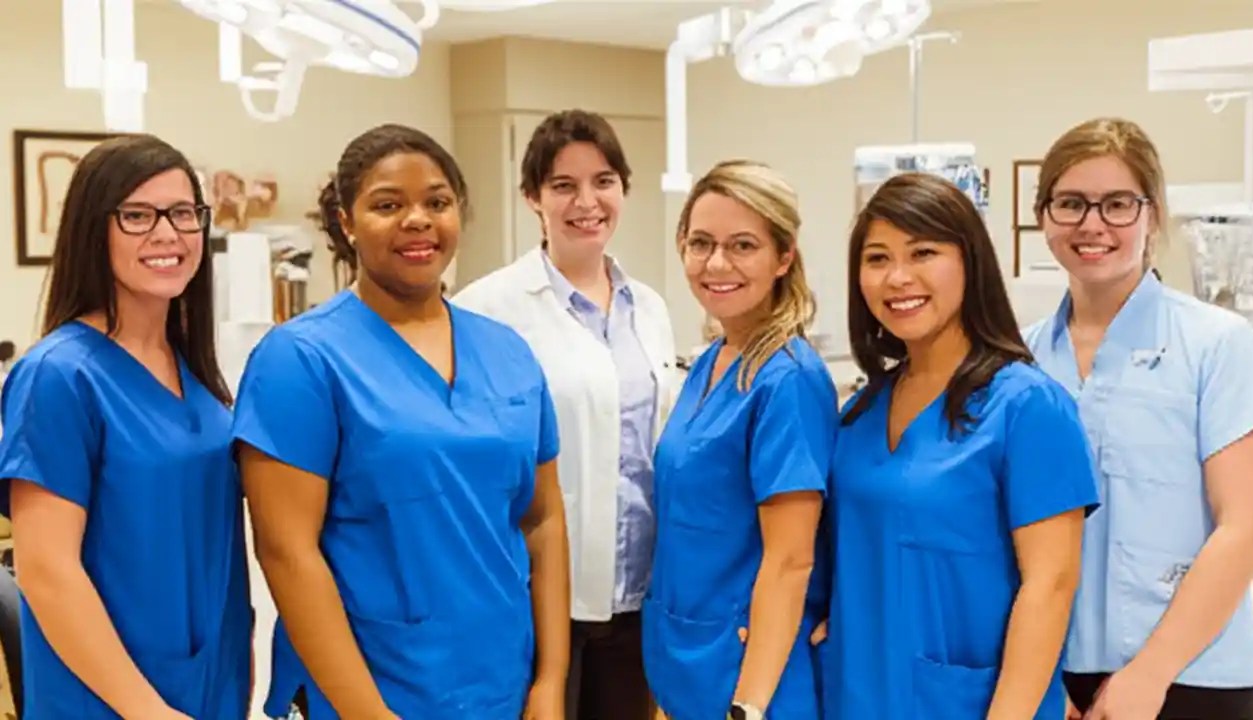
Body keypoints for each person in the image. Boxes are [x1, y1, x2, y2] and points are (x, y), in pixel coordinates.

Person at [233, 123, 571, 719]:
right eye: (388, 205)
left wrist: (548, 683)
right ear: (346, 222)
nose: (418, 221)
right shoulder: (301, 360)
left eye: (437, 203)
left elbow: (542, 519)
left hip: (502, 682)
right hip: (373, 688)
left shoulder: (508, 352)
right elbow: (287, 553)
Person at [1024, 118, 1253, 720]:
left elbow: (1245, 526)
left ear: (1153, 215)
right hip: (1051, 674)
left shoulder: (1218, 345)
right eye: (1071, 203)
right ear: (1044, 217)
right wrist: (1037, 676)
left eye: (1118, 204)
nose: (1092, 224)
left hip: (1192, 675)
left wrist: (1151, 672)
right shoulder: (1021, 358)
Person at [819, 172, 1099, 720]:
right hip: (856, 692)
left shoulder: (1027, 406)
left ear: (970, 261)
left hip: (969, 703)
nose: (898, 277)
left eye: (923, 252)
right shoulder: (861, 412)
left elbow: (1051, 584)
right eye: (877, 258)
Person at [0, 134, 252, 718]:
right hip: (111, 699)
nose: (168, 234)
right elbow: (46, 571)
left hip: (209, 683)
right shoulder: (59, 375)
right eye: (137, 215)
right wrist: (150, 713)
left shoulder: (192, 370)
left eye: (183, 212)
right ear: (94, 230)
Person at [453, 108, 676, 720]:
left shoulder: (650, 308)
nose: (587, 202)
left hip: (639, 598)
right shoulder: (486, 310)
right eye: (563, 185)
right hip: (537, 600)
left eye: (603, 181)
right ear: (532, 197)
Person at [641, 160, 834, 720]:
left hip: (749, 676)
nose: (716, 264)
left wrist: (747, 707)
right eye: (701, 243)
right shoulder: (713, 362)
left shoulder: (788, 379)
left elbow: (790, 561)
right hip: (690, 657)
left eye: (742, 245)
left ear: (784, 256)